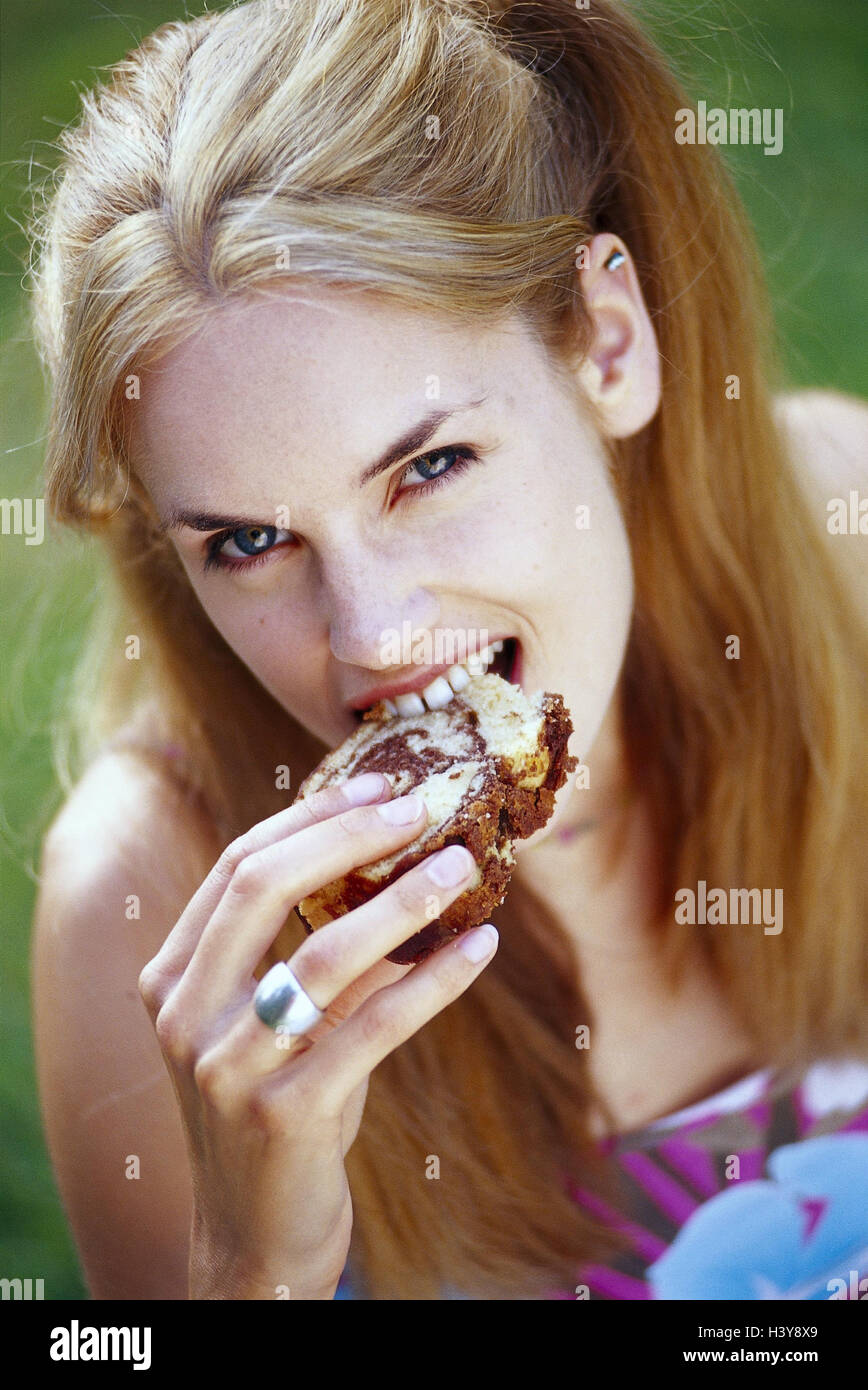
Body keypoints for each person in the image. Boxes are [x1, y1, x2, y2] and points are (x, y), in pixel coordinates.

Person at [29, 0, 868, 1301]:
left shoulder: (841, 547)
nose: (369, 638)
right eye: (248, 542)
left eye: (429, 466)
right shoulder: (146, 903)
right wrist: (250, 1263)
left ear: (611, 340)